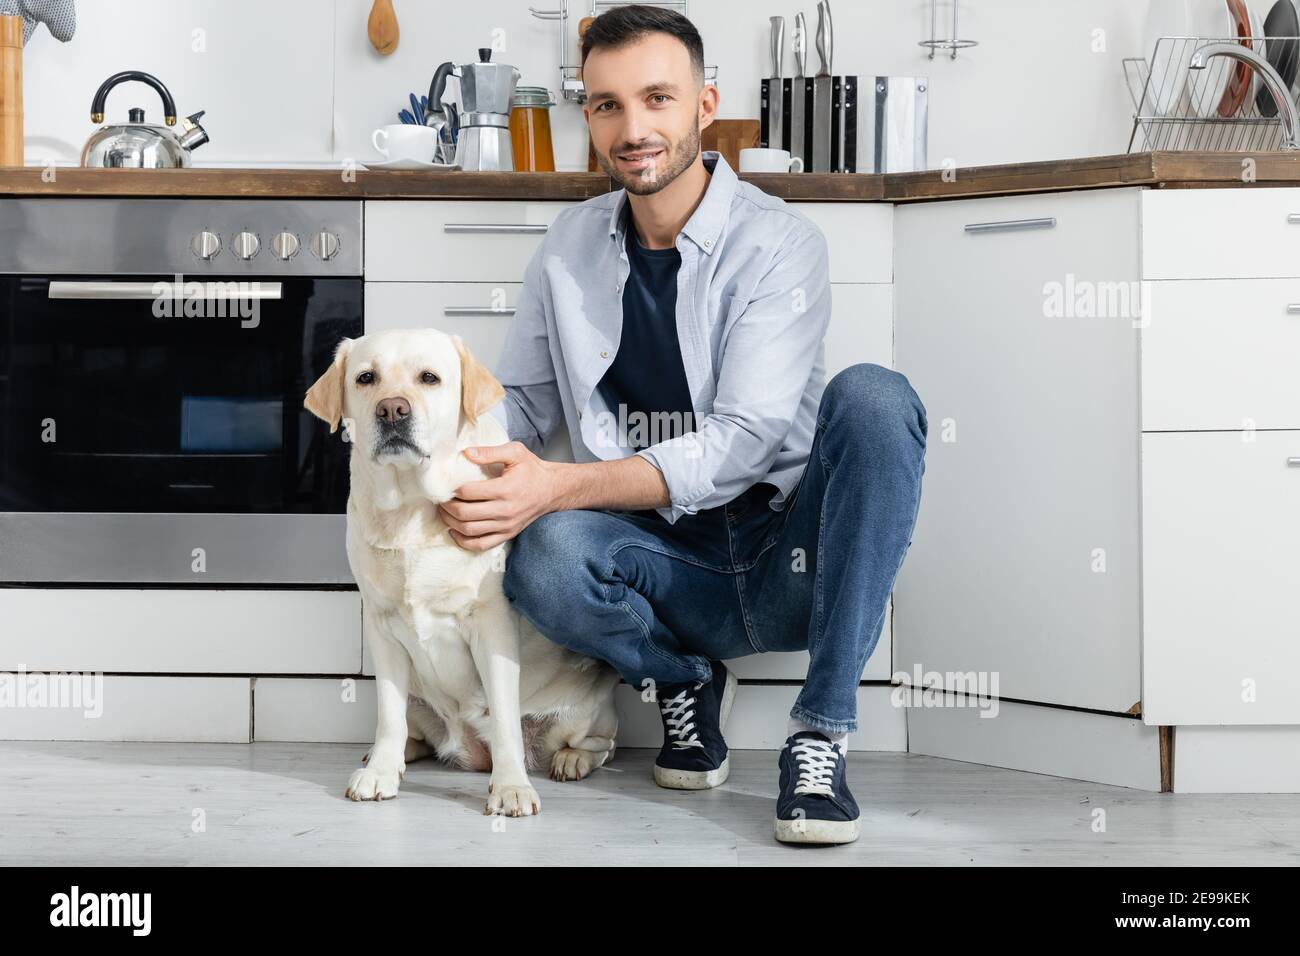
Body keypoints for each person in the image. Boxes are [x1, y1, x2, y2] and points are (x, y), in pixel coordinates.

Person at [437, 4, 927, 845]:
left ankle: (821, 734)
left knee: (877, 398)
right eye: (607, 105)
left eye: (657, 99)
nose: (634, 129)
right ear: (586, 116)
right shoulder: (566, 247)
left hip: (789, 562)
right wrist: (431, 450)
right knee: (544, 554)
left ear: (705, 105)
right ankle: (681, 680)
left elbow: (743, 441)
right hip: (662, 569)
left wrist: (556, 484)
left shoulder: (779, 243)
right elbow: (518, 403)